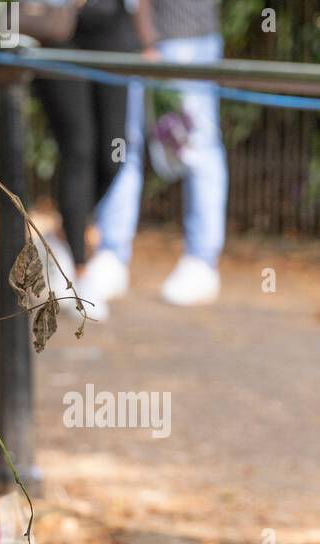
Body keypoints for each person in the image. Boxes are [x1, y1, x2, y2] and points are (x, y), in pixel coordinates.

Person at [82, 0, 228, 312]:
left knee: (198, 147)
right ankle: (112, 252)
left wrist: (148, 38)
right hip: (136, 40)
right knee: (125, 143)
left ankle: (202, 259)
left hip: (185, 39)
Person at [31, 0, 142, 300]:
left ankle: (62, 235)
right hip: (59, 35)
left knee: (113, 157)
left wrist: (149, 39)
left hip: (112, 36)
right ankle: (79, 273)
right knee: (78, 150)